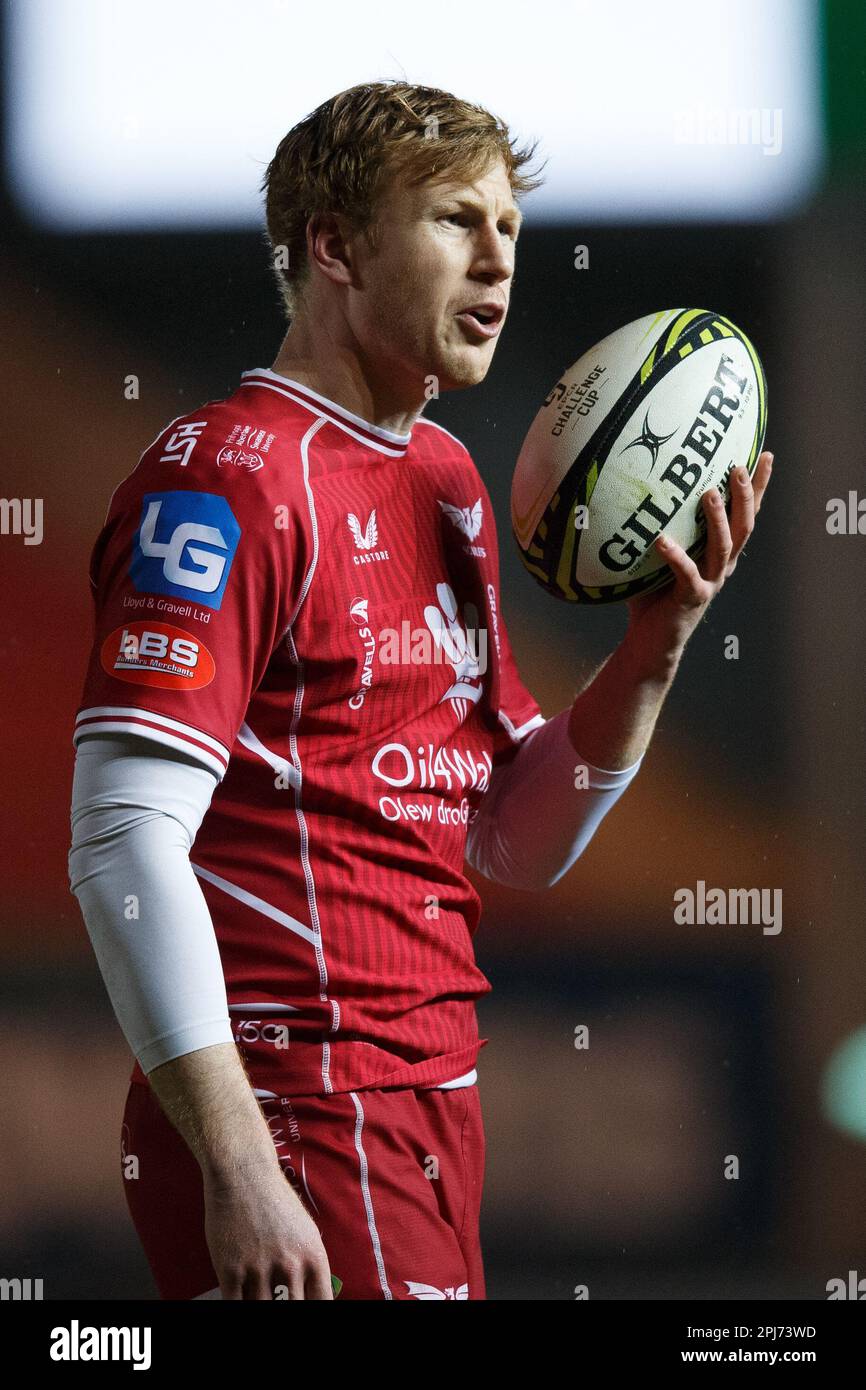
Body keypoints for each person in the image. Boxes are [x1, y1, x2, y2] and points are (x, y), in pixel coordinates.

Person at [68, 80, 772, 1301]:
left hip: (420, 1097)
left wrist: (651, 651)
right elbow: (122, 838)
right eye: (454, 219)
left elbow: (505, 829)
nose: (498, 256)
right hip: (299, 1104)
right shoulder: (228, 478)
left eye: (509, 225)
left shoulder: (442, 476)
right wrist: (239, 1157)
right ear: (332, 247)